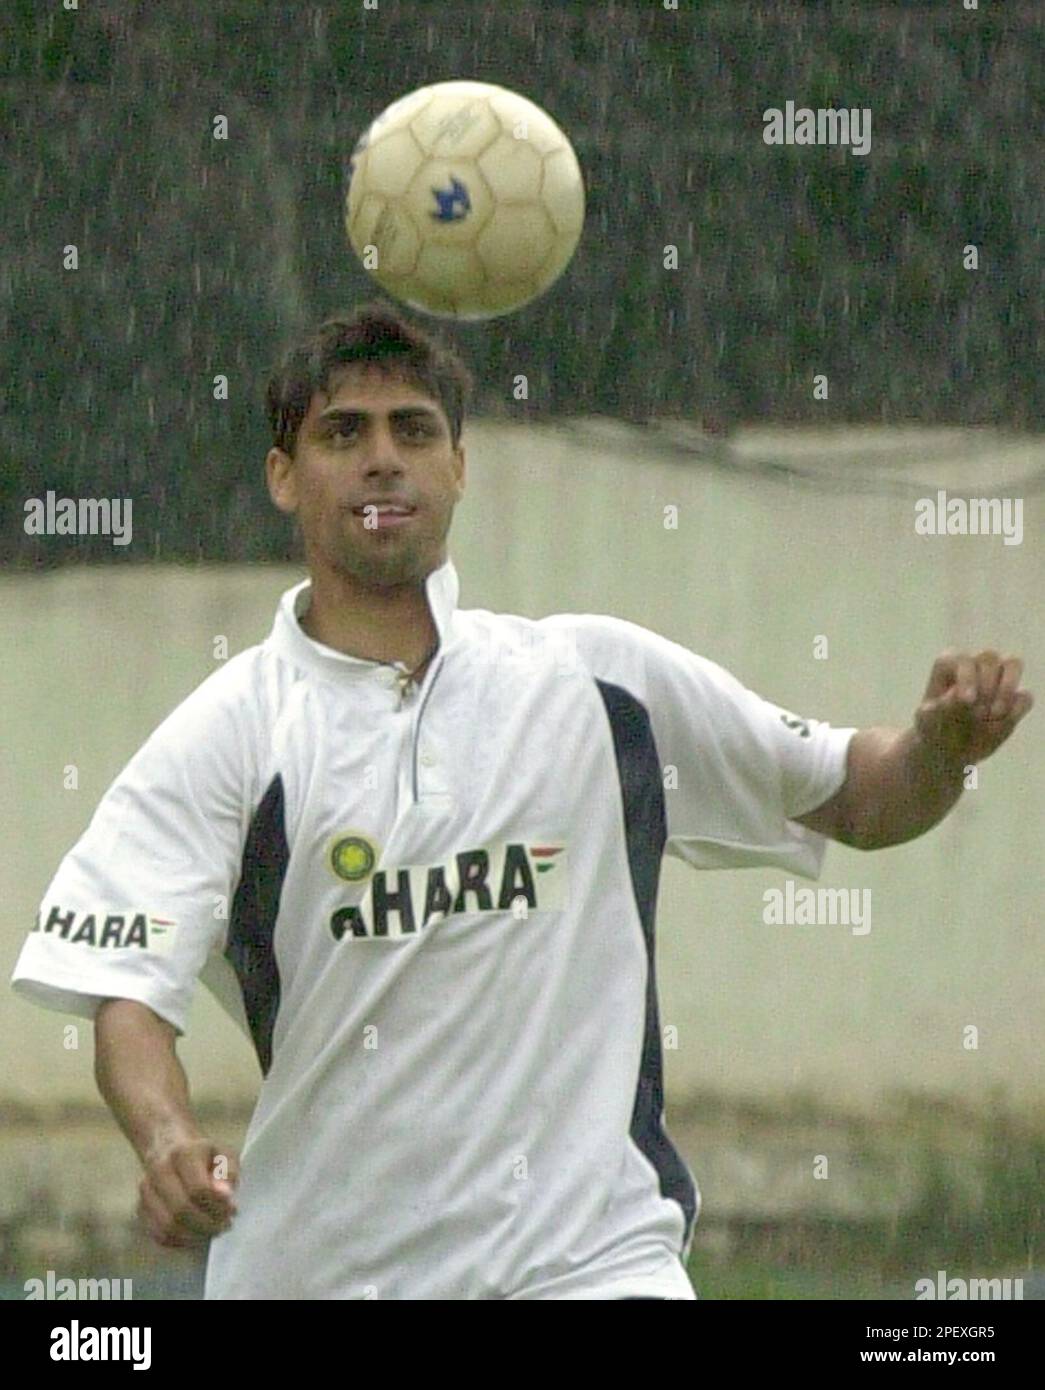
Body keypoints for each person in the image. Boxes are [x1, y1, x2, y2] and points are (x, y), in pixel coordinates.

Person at [11, 302, 1033, 1300]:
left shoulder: (600, 682)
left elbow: (859, 796)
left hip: (595, 1264)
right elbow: (127, 990)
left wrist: (940, 747)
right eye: (342, 433)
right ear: (283, 477)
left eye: (414, 428)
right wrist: (169, 1140)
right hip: (324, 1267)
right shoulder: (226, 732)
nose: (382, 458)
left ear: (459, 466)